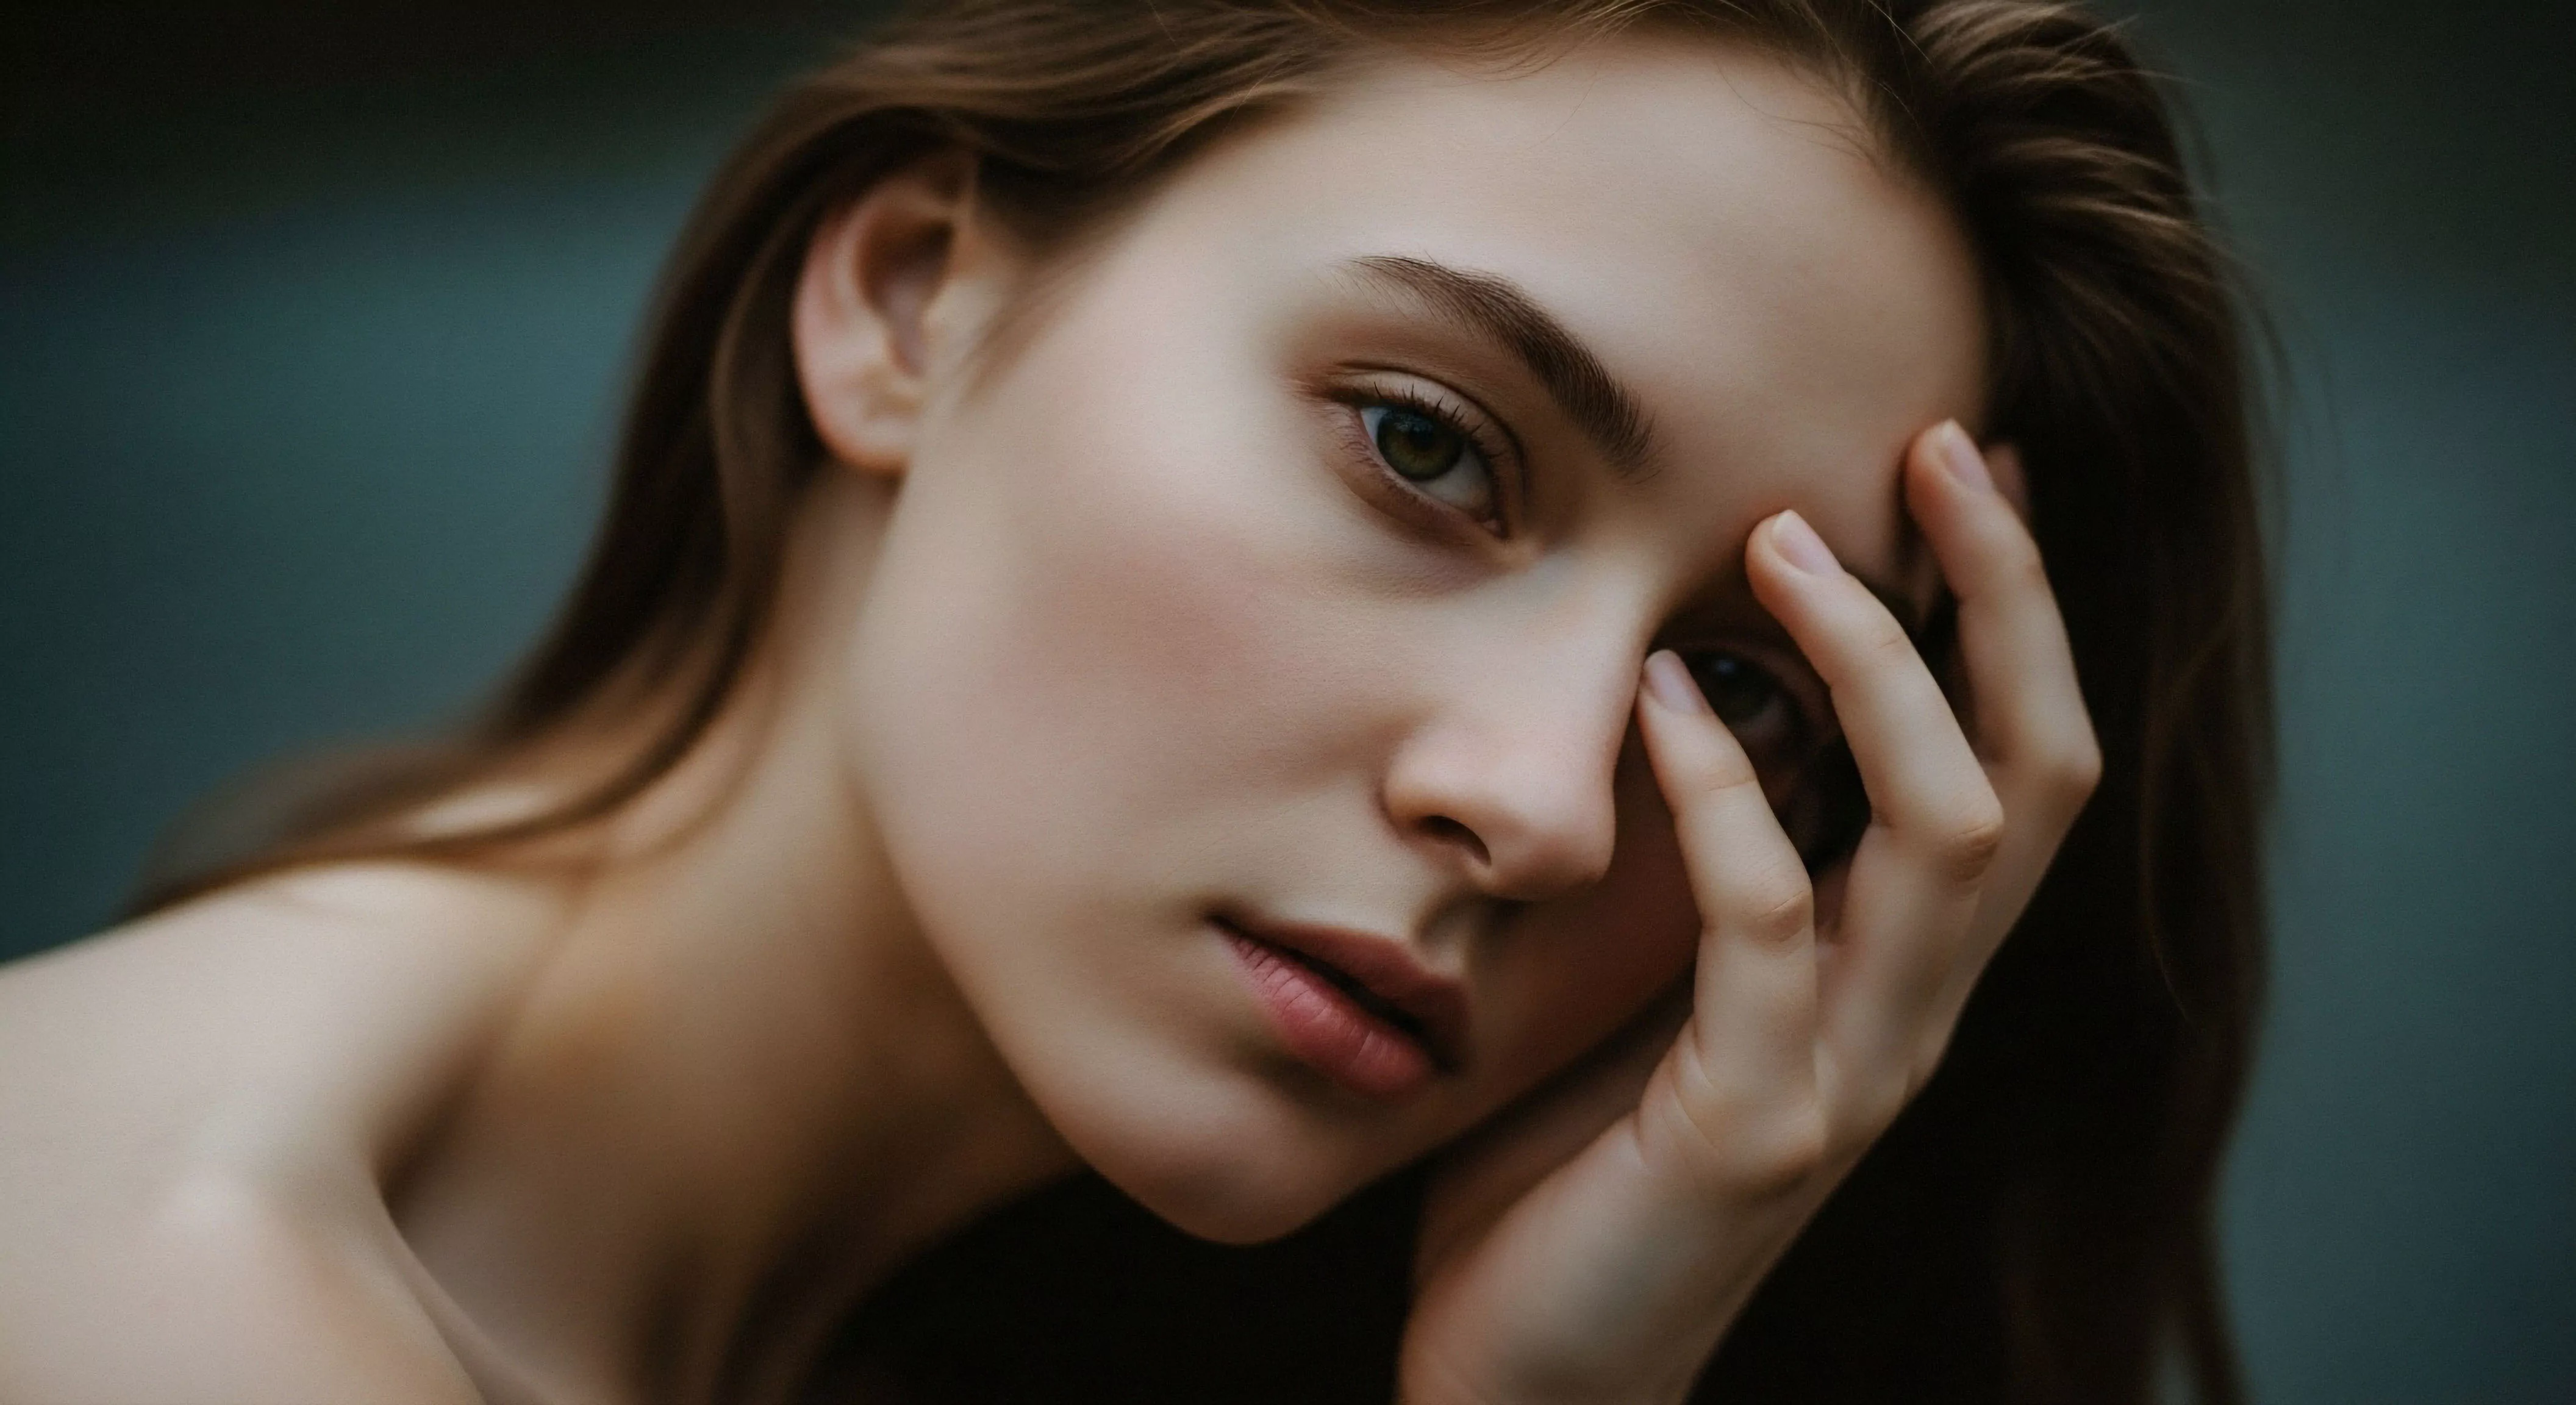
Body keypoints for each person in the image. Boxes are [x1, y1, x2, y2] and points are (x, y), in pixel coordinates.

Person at [0, 1, 2271, 1401]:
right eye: (1426, 442)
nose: (1554, 811)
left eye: (1760, 700)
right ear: (913, 302)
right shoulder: (154, 1319)